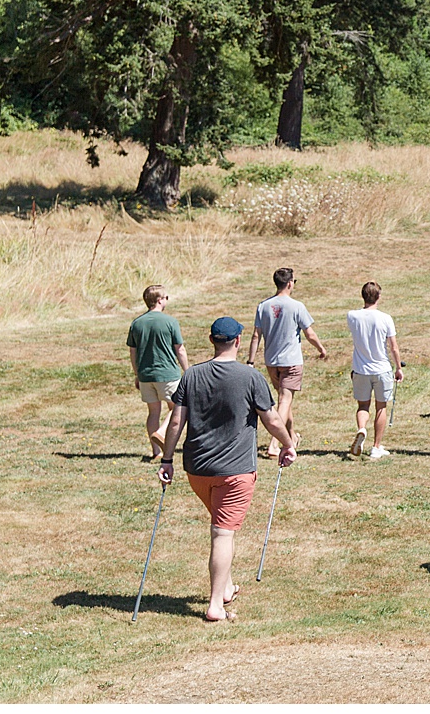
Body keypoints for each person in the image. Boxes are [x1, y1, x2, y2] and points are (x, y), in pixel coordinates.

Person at [158, 317, 295, 622]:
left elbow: (177, 422)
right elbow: (272, 419)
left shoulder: (191, 375)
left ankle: (228, 586)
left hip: (197, 469)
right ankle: (216, 604)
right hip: (235, 471)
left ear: (212, 341)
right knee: (223, 533)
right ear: (237, 341)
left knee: (222, 528)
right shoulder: (250, 376)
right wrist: (287, 444)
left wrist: (167, 459)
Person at [248, 267, 327, 458]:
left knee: (285, 400)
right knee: (285, 400)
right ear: (290, 283)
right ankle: (275, 444)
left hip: (271, 361)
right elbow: (310, 333)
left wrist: (250, 360)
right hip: (291, 361)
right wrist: (321, 349)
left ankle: (291, 436)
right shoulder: (296, 306)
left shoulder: (263, 306)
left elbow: (256, 336)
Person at [127, 284, 187, 462]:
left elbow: (133, 352)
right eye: (166, 297)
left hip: (146, 375)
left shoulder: (137, 323)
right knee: (177, 407)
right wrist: (188, 370)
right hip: (167, 373)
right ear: (160, 300)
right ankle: (161, 433)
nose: (167, 300)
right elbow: (180, 349)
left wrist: (137, 374)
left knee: (153, 412)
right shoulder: (170, 322)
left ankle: (156, 451)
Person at [346, 281, 403, 460]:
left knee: (363, 405)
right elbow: (393, 347)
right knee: (381, 407)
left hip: (361, 369)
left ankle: (362, 429)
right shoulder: (385, 318)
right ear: (378, 297)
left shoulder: (352, 316)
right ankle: (376, 446)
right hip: (381, 369)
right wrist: (398, 368)